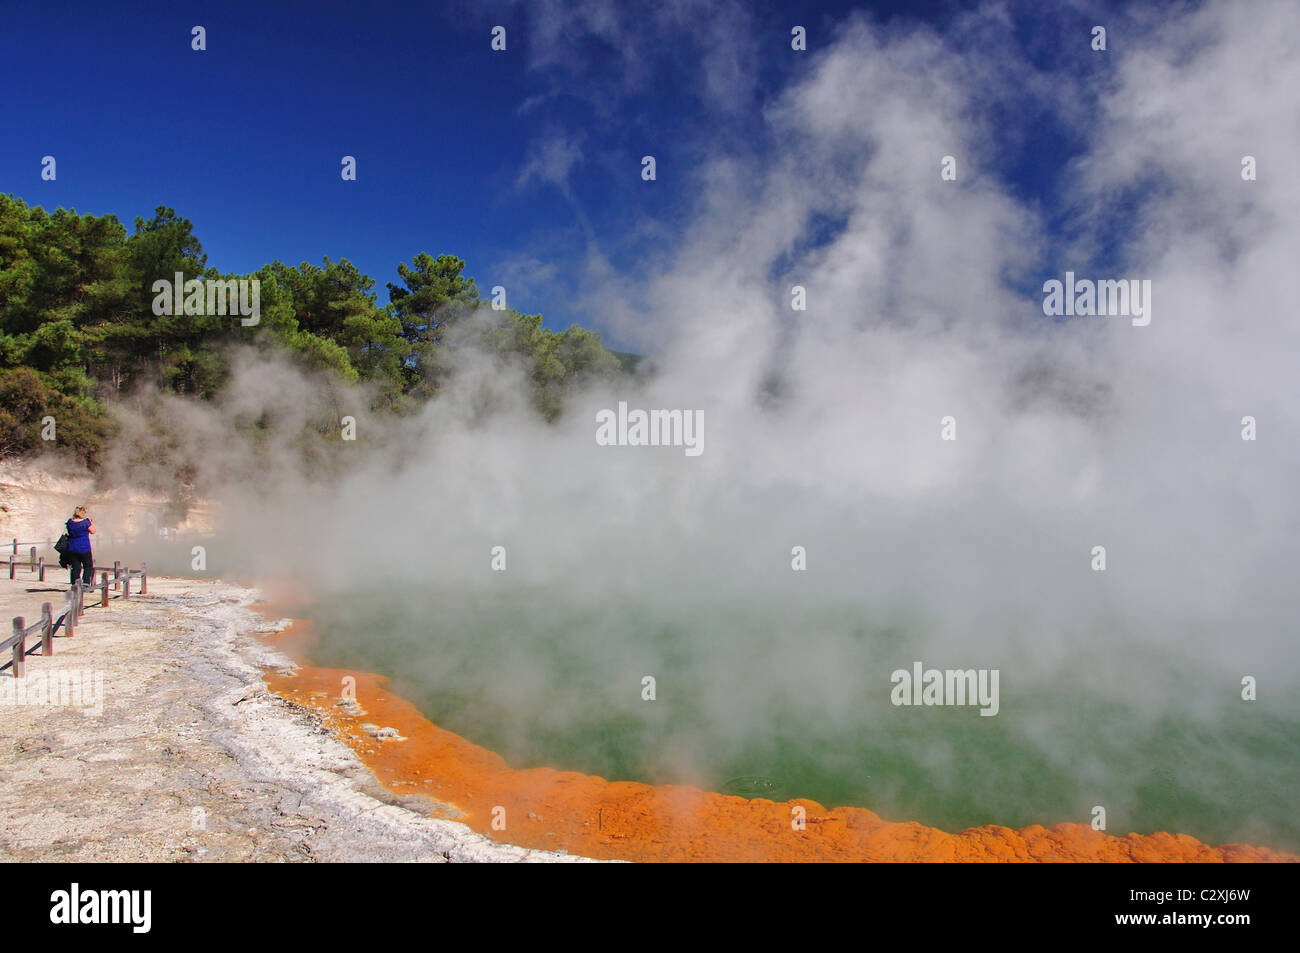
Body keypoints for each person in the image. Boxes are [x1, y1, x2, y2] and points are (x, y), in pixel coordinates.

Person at [66, 505, 95, 589]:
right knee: (88, 566)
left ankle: (75, 583)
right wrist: (90, 522)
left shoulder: (70, 522)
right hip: (84, 547)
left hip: (72, 547)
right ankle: (86, 583)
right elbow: (93, 531)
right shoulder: (85, 522)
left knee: (75, 566)